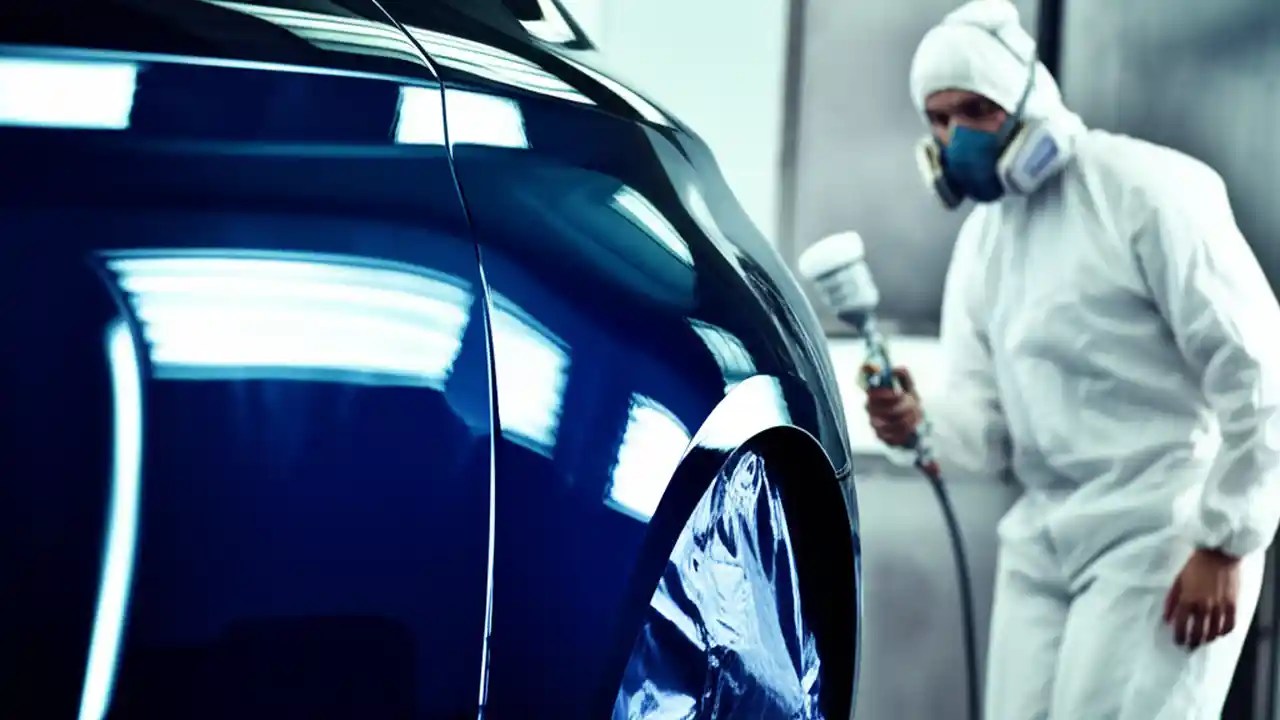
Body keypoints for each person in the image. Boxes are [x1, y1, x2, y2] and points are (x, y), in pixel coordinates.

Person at [865, 1, 1280, 718]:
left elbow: (1257, 365)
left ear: (1027, 100)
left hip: (1161, 531)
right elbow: (987, 425)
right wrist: (918, 423)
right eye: (938, 119)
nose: (954, 136)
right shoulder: (985, 242)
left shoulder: (1146, 192)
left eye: (975, 110)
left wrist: (1226, 541)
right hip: (1044, 541)